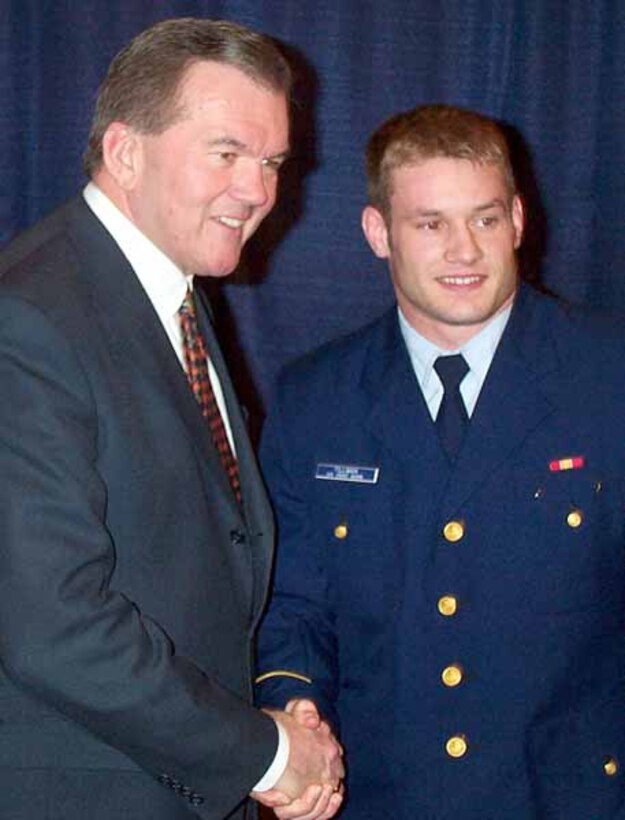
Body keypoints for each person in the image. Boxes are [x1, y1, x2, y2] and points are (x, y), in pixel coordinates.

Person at [0, 18, 343, 820]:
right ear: (125, 152)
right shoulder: (28, 318)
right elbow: (51, 623)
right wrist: (263, 755)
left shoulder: (168, 295)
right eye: (227, 153)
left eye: (271, 163)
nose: (258, 191)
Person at [256, 103, 625, 818]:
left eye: (484, 219)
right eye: (430, 224)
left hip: (570, 797)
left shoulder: (607, 375)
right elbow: (293, 605)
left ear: (517, 221)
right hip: (378, 796)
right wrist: (294, 707)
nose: (464, 251)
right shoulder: (315, 399)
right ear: (377, 233)